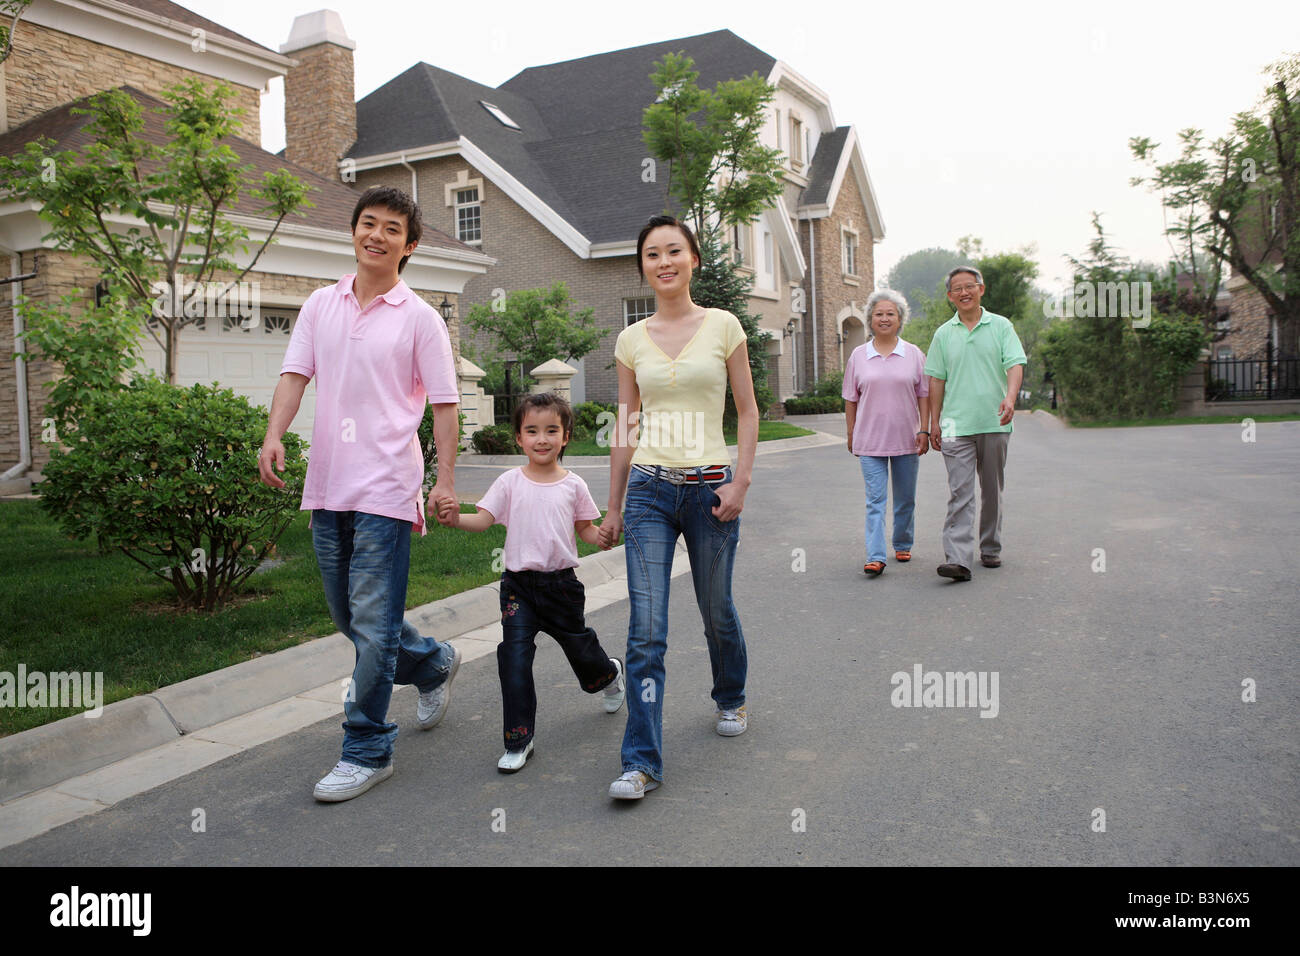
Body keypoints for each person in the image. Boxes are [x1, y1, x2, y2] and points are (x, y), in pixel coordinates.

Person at [258, 185, 462, 802]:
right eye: (367, 223)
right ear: (353, 232)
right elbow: (295, 376)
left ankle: (367, 748)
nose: (376, 235)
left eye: (391, 228)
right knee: (351, 618)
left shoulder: (420, 318)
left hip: (387, 487)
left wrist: (444, 480)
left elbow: (447, 407)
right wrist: (274, 435)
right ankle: (430, 663)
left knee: (373, 624)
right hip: (327, 485)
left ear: (410, 245)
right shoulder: (321, 305)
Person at [597, 214, 759, 801]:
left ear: (694, 259)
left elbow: (746, 408)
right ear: (642, 266)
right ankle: (641, 761)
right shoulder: (630, 340)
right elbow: (626, 421)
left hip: (711, 488)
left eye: (673, 251)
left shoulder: (723, 326)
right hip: (648, 491)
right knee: (646, 631)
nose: (662, 262)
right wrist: (612, 505)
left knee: (716, 609)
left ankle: (731, 694)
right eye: (651, 254)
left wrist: (740, 481)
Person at [436, 392, 626, 773]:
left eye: (551, 430)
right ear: (519, 438)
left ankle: (608, 674)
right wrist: (456, 519)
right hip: (518, 588)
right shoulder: (509, 482)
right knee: (514, 658)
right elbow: (483, 519)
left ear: (566, 436)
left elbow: (586, 531)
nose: (542, 439)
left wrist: (602, 537)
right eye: (532, 431)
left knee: (581, 651)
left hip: (562, 588)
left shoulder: (574, 485)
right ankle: (518, 739)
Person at [924, 266, 1027, 582]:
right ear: (950, 296)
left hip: (994, 420)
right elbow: (936, 381)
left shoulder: (1000, 326)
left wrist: (1010, 398)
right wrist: (934, 423)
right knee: (960, 491)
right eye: (957, 288)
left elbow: (1014, 364)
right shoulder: (944, 333)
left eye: (970, 286)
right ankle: (958, 559)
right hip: (955, 424)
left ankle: (990, 547)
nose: (964, 292)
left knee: (991, 489)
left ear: (982, 289)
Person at [842, 289, 930, 576]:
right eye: (878, 314)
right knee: (875, 500)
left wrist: (925, 430)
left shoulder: (914, 354)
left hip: (907, 438)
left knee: (906, 498)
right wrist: (851, 433)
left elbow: (924, 395)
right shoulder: (858, 355)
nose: (884, 318)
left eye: (890, 313)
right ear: (870, 319)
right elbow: (851, 399)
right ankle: (876, 555)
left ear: (900, 319)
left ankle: (903, 541)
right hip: (869, 441)